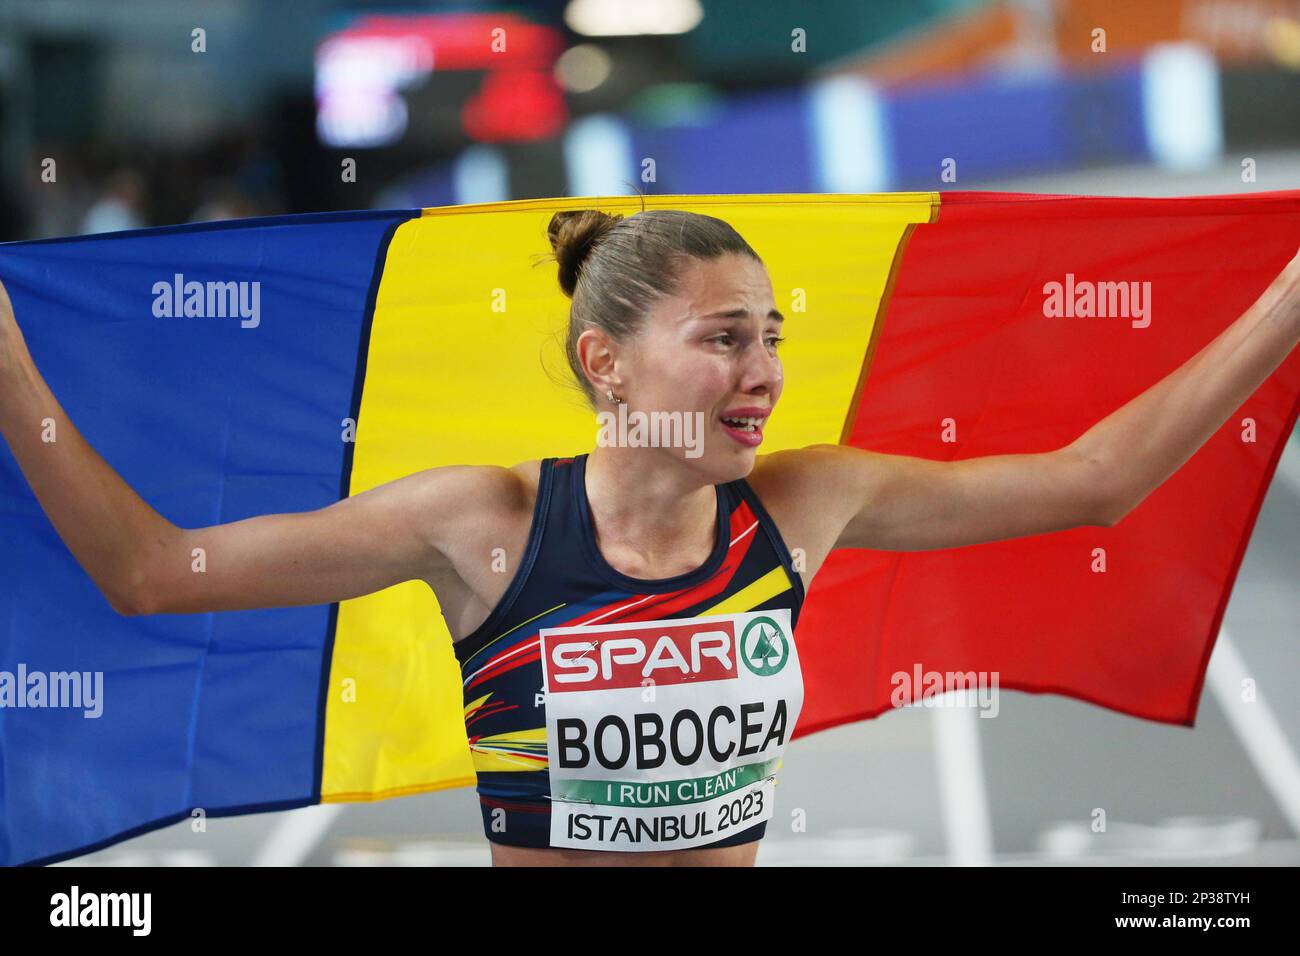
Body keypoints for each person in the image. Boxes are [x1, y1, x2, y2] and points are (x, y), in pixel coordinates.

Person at [0, 208, 1297, 868]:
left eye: (773, 334)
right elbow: (154, 571)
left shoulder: (808, 502)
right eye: (726, 337)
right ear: (603, 364)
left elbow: (1095, 482)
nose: (767, 371)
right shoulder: (482, 528)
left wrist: (1286, 303)